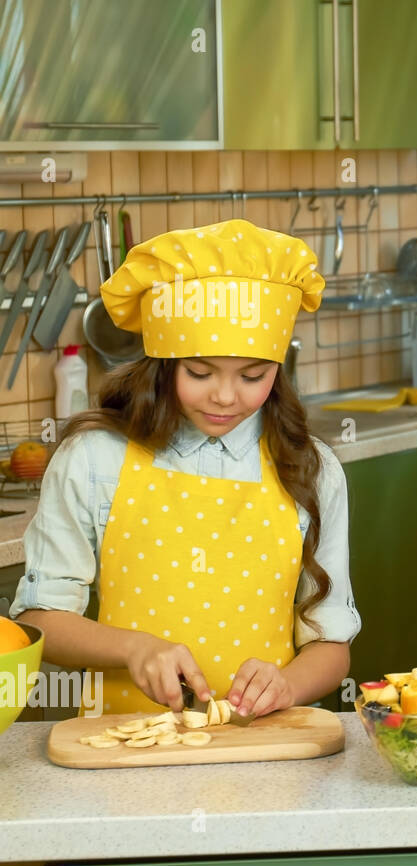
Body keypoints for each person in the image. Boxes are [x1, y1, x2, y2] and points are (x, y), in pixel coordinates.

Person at [14, 219, 360, 717]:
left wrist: (285, 685)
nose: (224, 396)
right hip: (122, 751)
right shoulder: (94, 458)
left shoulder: (311, 469)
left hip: (263, 752)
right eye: (199, 372)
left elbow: (332, 645)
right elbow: (40, 618)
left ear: (278, 370)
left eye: (252, 375)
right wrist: (135, 648)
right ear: (163, 363)